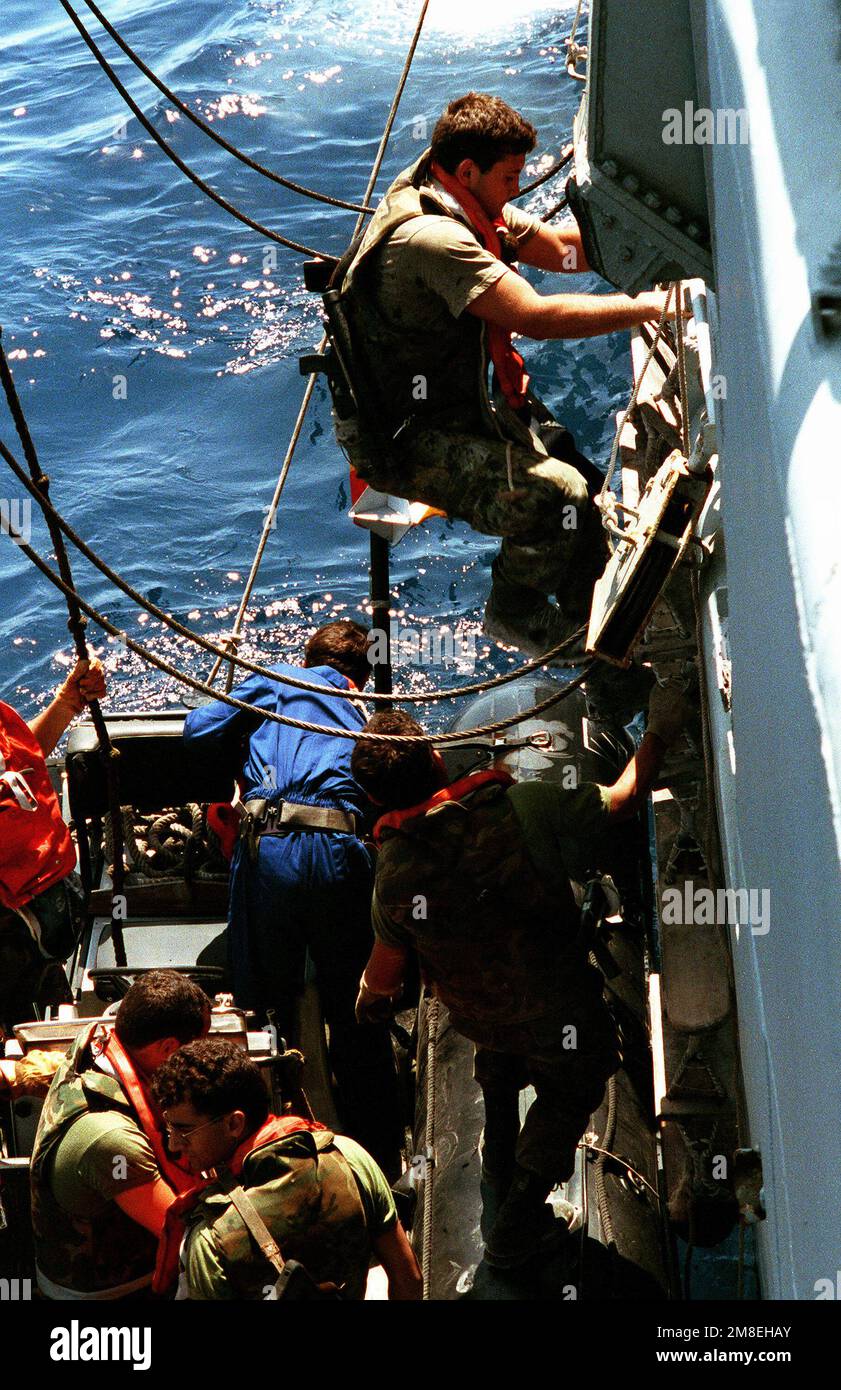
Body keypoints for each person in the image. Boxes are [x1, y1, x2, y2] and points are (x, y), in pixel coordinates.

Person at [336, 92, 688, 722]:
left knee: (592, 503)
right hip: (410, 435)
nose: (515, 189)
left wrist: (653, 255)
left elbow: (560, 251)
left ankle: (607, 672)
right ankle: (513, 608)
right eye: (508, 178)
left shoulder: (462, 196)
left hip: (473, 399)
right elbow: (535, 314)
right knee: (555, 496)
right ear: (466, 172)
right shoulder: (432, 238)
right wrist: (651, 306)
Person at [350, 684, 688, 1269]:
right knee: (579, 1079)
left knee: (500, 1067)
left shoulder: (393, 873)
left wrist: (368, 1004)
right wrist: (658, 728)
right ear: (437, 757)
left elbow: (381, 978)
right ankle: (519, 1220)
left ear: (375, 797)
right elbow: (626, 797)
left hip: (478, 1013)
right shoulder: (527, 806)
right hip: (555, 1005)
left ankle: (497, 1164)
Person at [182, 620, 402, 1176]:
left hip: (271, 850)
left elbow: (196, 731)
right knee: (354, 1009)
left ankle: (262, 1147)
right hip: (341, 855)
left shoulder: (275, 680)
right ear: (361, 676)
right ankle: (380, 1163)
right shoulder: (369, 713)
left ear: (307, 660)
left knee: (264, 1001)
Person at [151, 1037, 422, 1301]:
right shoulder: (347, 1155)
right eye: (170, 1127)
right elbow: (408, 1279)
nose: (174, 1144)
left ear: (234, 1124)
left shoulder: (210, 1236)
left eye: (185, 1130)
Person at [29, 968, 210, 1299]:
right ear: (169, 1047)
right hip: (111, 1294)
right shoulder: (111, 1140)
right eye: (195, 1047)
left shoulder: (94, 1049)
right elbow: (184, 1236)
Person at [0, 656, 106, 1035]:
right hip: (12, 926)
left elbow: (20, 762)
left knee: (46, 1021)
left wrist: (67, 703)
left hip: (49, 896)